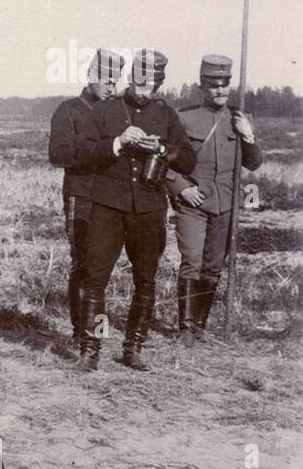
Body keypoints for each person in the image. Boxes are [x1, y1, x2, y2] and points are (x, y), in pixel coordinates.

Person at [75, 49, 196, 371]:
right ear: (131, 77)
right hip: (106, 206)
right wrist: (118, 141)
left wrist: (162, 150)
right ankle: (90, 351)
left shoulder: (167, 114)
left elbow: (187, 159)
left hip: (148, 210)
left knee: (146, 280)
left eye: (153, 83)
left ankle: (134, 349)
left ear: (159, 83)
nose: (146, 89)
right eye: (141, 81)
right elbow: (82, 153)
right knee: (96, 279)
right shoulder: (105, 110)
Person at [166, 54, 262, 343]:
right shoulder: (185, 118)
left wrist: (249, 136)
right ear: (202, 87)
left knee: (213, 265)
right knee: (192, 260)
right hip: (193, 202)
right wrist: (181, 188)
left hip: (226, 204)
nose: (220, 90)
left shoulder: (241, 117)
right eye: (213, 85)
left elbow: (254, 163)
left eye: (225, 85)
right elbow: (167, 163)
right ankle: (185, 329)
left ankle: (200, 326)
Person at [48, 49, 123, 351]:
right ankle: (82, 337)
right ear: (90, 76)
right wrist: (107, 148)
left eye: (115, 82)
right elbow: (59, 155)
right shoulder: (69, 111)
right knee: (83, 266)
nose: (111, 88)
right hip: (82, 196)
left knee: (102, 269)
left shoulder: (118, 111)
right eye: (106, 80)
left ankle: (96, 335)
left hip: (113, 199)